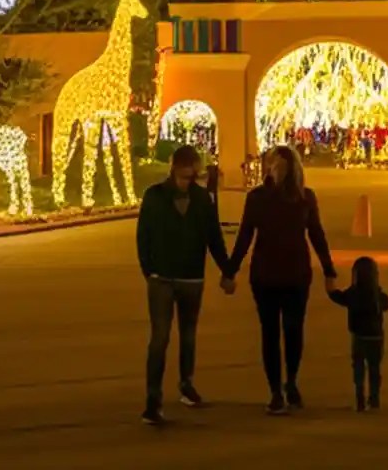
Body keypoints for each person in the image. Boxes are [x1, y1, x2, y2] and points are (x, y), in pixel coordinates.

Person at [227, 145, 336, 414]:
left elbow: (317, 235)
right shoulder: (257, 198)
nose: (275, 169)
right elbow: (244, 237)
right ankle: (276, 389)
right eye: (272, 165)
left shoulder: (305, 198)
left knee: (293, 331)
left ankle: (291, 382)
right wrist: (230, 270)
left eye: (279, 165)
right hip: (266, 275)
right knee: (271, 333)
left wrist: (329, 270)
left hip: (295, 274)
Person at [136, 145, 234, 426]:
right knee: (160, 338)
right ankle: (152, 400)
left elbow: (214, 237)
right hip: (162, 278)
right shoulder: (154, 197)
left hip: (192, 277)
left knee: (188, 335)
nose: (187, 182)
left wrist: (227, 271)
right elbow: (143, 235)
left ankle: (186, 384)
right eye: (183, 176)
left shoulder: (203, 200)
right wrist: (150, 271)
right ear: (174, 169)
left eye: (192, 177)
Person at [328, 256, 388, 412]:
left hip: (359, 336)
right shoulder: (377, 294)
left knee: (358, 367)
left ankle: (360, 398)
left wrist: (330, 289)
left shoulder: (353, 293)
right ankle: (374, 398)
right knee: (374, 368)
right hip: (376, 337)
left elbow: (340, 298)